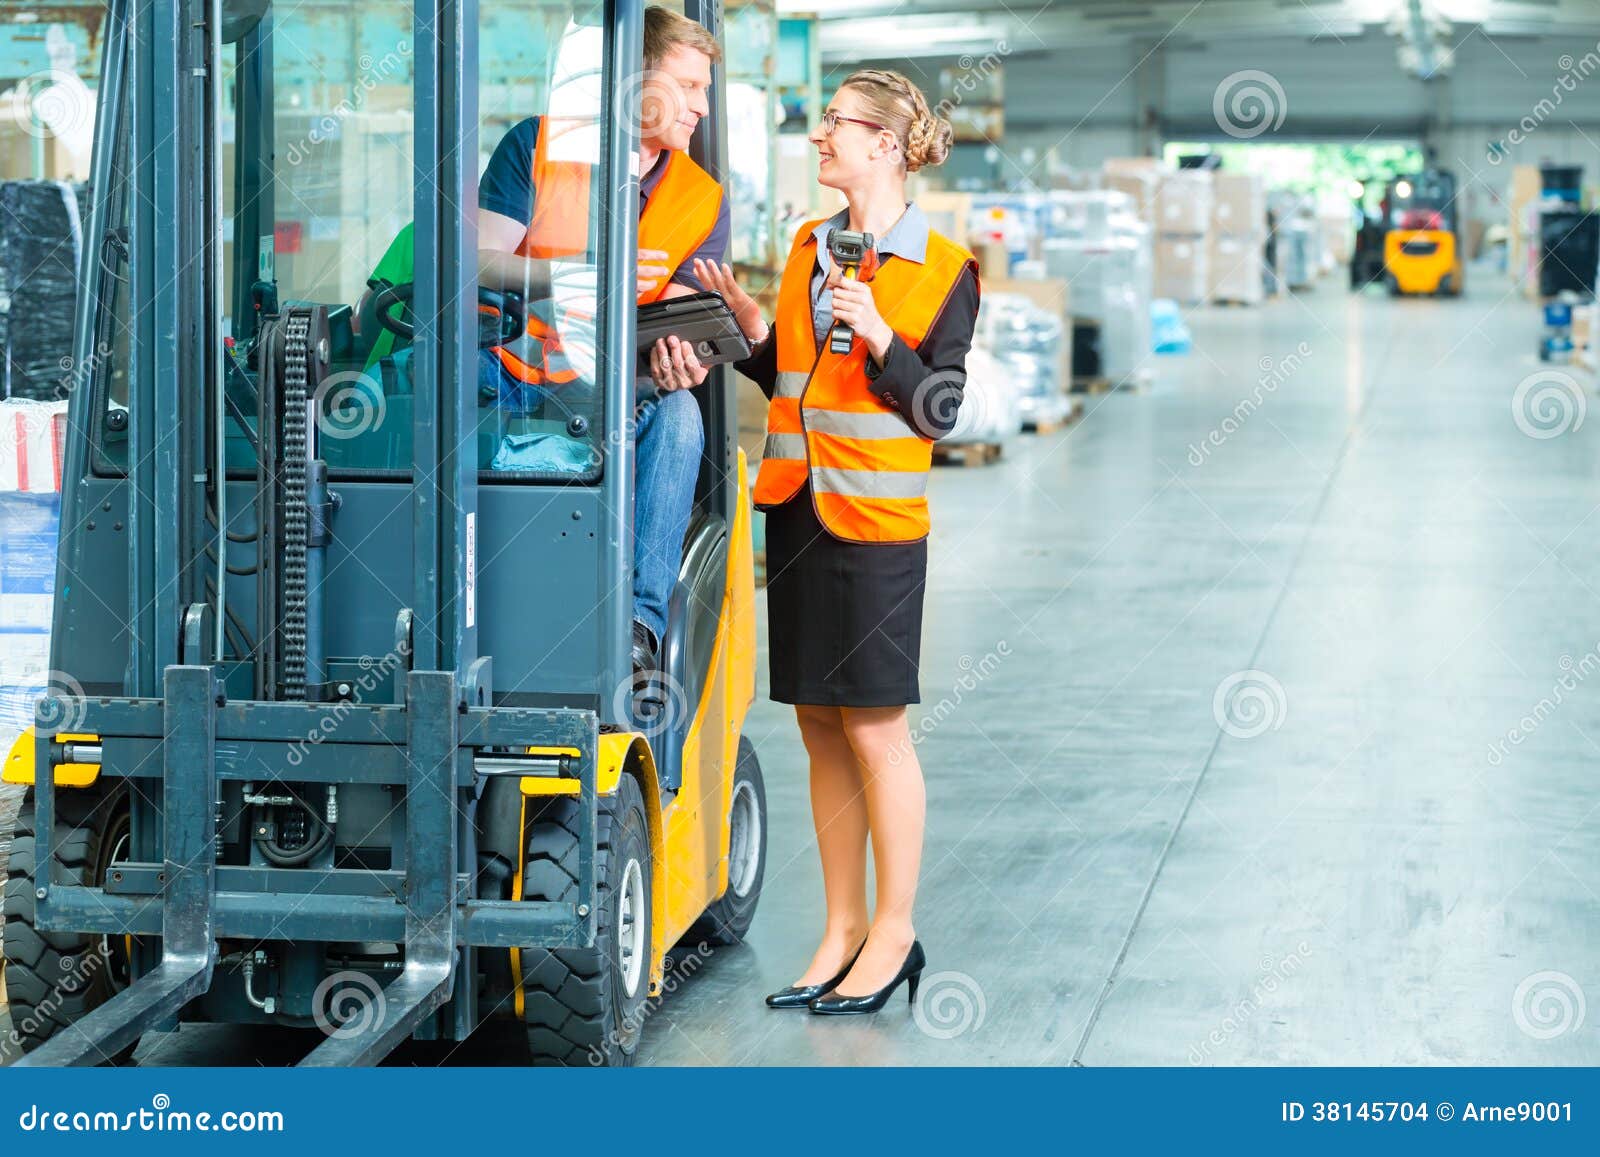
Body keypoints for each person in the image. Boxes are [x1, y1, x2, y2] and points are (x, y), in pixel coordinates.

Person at [696, 69, 978, 1014]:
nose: (820, 139)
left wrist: (883, 333)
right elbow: (795, 374)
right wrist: (746, 325)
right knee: (819, 723)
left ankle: (894, 934)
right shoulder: (813, 244)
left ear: (886, 146)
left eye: (836, 126)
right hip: (802, 511)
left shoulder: (944, 268)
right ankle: (841, 929)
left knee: (874, 727)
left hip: (878, 527)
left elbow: (939, 407)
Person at [367, 6, 729, 677]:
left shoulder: (701, 197)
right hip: (506, 365)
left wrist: (685, 361)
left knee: (680, 417)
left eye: (705, 89)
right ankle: (407, 601)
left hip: (611, 388)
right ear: (638, 76)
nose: (702, 107)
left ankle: (638, 632)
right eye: (689, 86)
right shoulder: (536, 145)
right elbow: (478, 261)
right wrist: (581, 276)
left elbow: (685, 316)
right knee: (420, 374)